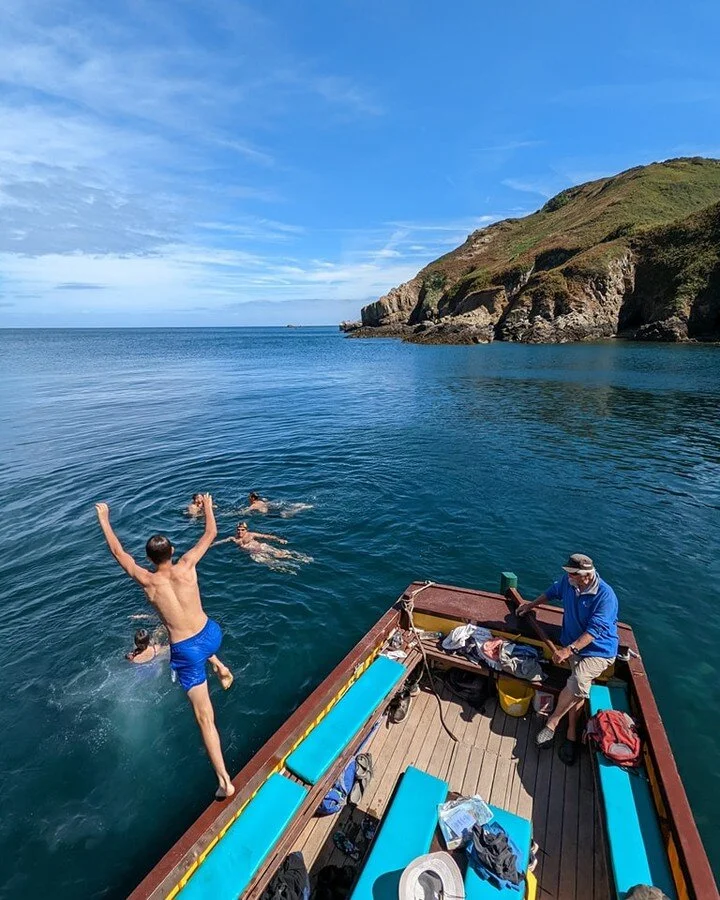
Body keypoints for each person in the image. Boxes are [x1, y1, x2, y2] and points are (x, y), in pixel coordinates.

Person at [95, 494, 236, 799]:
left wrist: (105, 520)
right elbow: (210, 533)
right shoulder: (187, 564)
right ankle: (220, 665)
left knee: (204, 718)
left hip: (186, 650)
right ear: (172, 551)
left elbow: (119, 553)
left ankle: (225, 780)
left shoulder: (147, 581)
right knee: (198, 644)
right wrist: (210, 506)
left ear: (149, 559)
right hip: (211, 633)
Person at [518, 553, 619, 765]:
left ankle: (552, 723)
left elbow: (595, 631)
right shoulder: (569, 582)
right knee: (578, 688)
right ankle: (572, 734)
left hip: (598, 651)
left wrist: (568, 650)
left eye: (573, 574)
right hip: (574, 646)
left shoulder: (606, 596)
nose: (569, 577)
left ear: (587, 575)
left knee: (580, 679)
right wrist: (530, 605)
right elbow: (552, 592)